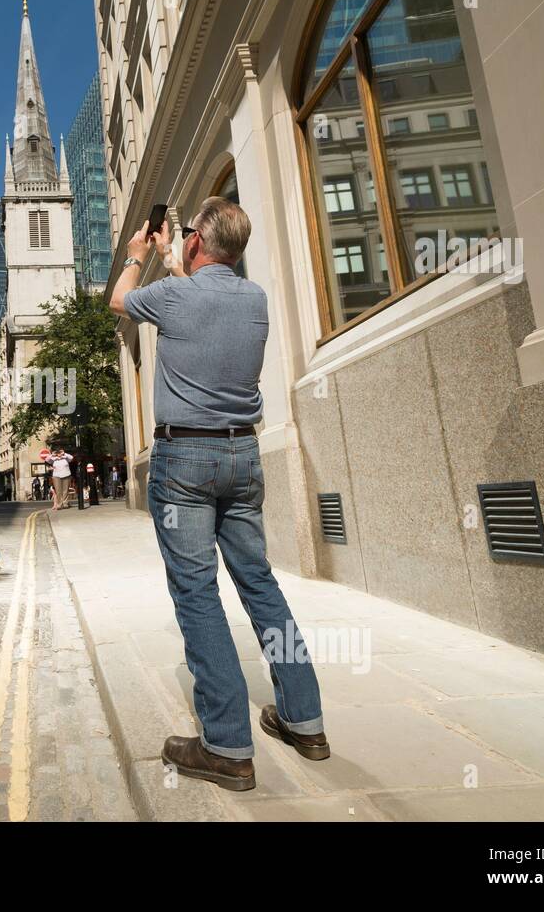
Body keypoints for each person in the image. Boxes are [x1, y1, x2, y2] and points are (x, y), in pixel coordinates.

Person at [110, 196, 329, 793]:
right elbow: (203, 295)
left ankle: (227, 744)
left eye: (186, 237)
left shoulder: (174, 296)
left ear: (197, 244)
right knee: (259, 581)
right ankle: (305, 720)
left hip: (185, 460)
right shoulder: (253, 298)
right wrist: (175, 254)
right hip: (242, 455)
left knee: (198, 592)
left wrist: (138, 257)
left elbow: (119, 301)